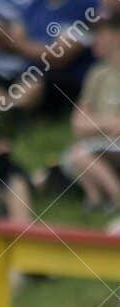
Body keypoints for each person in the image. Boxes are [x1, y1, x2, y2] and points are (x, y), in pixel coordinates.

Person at [65, 13, 120, 207]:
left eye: (99, 34)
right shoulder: (97, 74)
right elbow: (78, 123)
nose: (93, 40)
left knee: (79, 154)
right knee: (76, 156)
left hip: (107, 144)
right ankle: (101, 200)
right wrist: (111, 122)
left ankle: (112, 198)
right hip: (102, 144)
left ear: (115, 36)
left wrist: (95, 122)